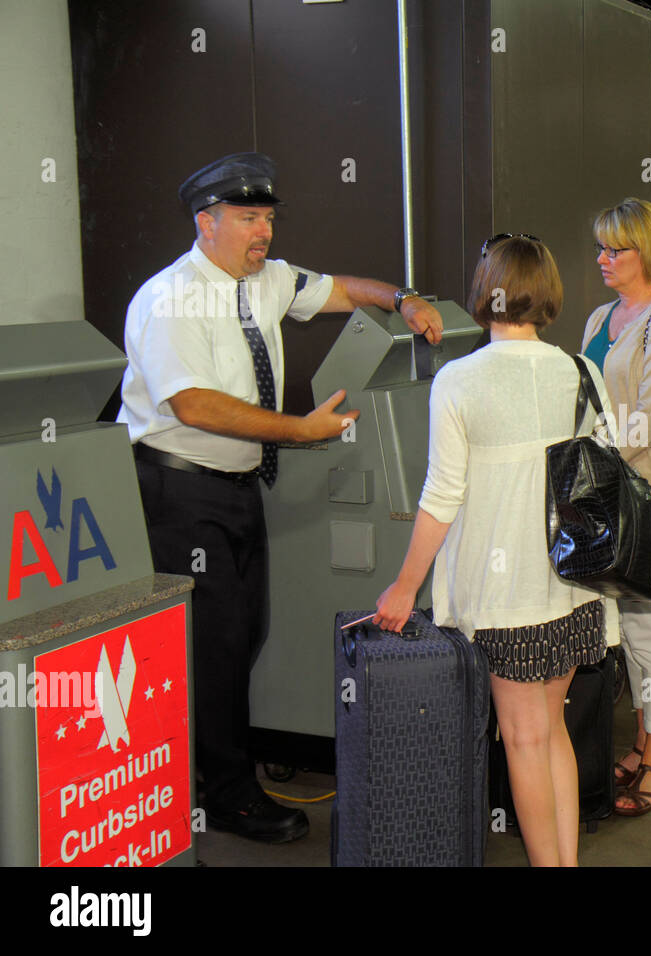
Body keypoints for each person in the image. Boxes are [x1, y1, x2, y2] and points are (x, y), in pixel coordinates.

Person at [118, 153, 442, 844]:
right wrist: (299, 432)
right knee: (215, 644)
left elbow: (339, 289)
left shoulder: (264, 281)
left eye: (266, 217)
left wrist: (403, 299)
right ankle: (224, 797)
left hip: (234, 488)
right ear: (206, 223)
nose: (261, 232)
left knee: (241, 634)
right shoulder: (169, 297)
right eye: (246, 219)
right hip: (180, 488)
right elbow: (194, 404)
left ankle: (219, 780)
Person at [374, 235, 610, 867]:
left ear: (484, 293)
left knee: (523, 739)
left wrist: (404, 587)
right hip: (575, 585)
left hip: (507, 599)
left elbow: (441, 496)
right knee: (551, 729)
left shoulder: (458, 380)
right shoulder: (581, 371)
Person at [579, 199, 651, 817]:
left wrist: (591, 467)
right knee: (614, 629)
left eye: (614, 249)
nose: (601, 258)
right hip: (603, 492)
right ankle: (644, 736)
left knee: (649, 626)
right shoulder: (601, 315)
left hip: (646, 496)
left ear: (645, 254)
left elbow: (650, 420)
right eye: (600, 247)